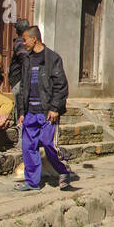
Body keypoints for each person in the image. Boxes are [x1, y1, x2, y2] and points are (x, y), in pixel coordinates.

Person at [14, 26, 77, 192]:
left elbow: (61, 85)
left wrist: (55, 107)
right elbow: (23, 88)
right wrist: (21, 111)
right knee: (28, 148)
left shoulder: (53, 58)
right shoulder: (27, 60)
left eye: (25, 39)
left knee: (49, 144)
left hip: (47, 111)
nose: (23, 43)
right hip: (30, 112)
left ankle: (63, 171)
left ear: (34, 39)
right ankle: (32, 182)